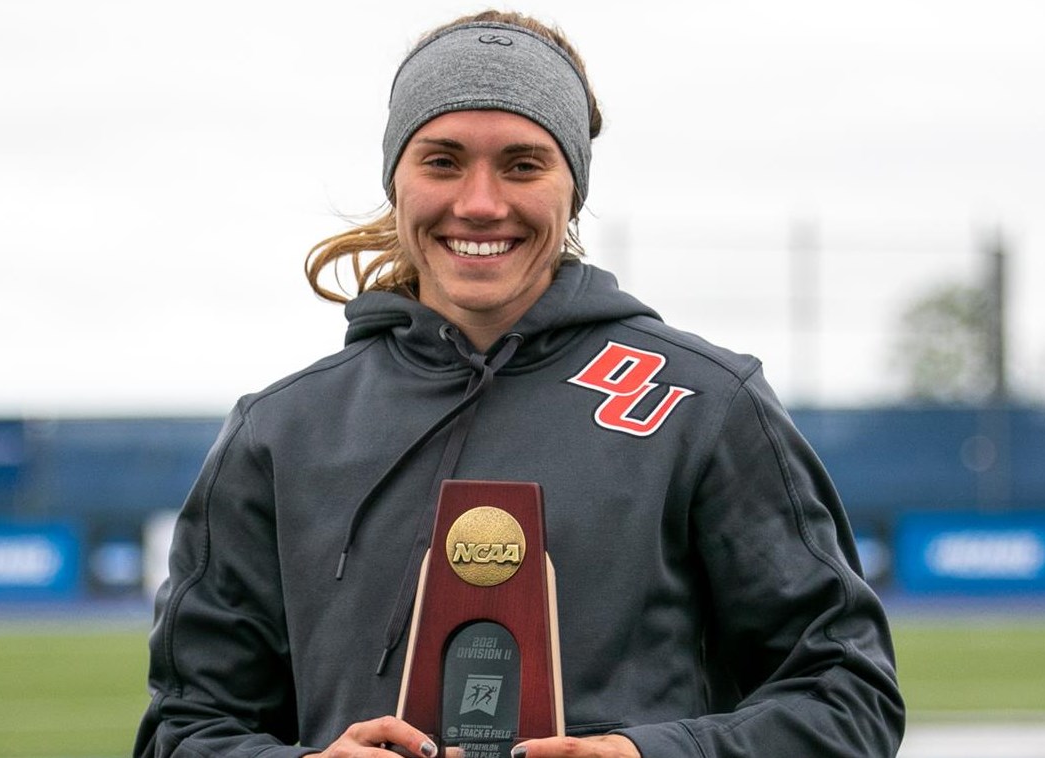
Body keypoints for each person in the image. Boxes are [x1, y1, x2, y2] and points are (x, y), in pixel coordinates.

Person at [134, 10, 904, 758]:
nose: (479, 202)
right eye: (441, 160)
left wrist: (648, 754)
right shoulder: (282, 429)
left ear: (573, 185)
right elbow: (184, 729)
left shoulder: (702, 405)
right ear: (395, 179)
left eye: (522, 164)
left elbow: (848, 699)